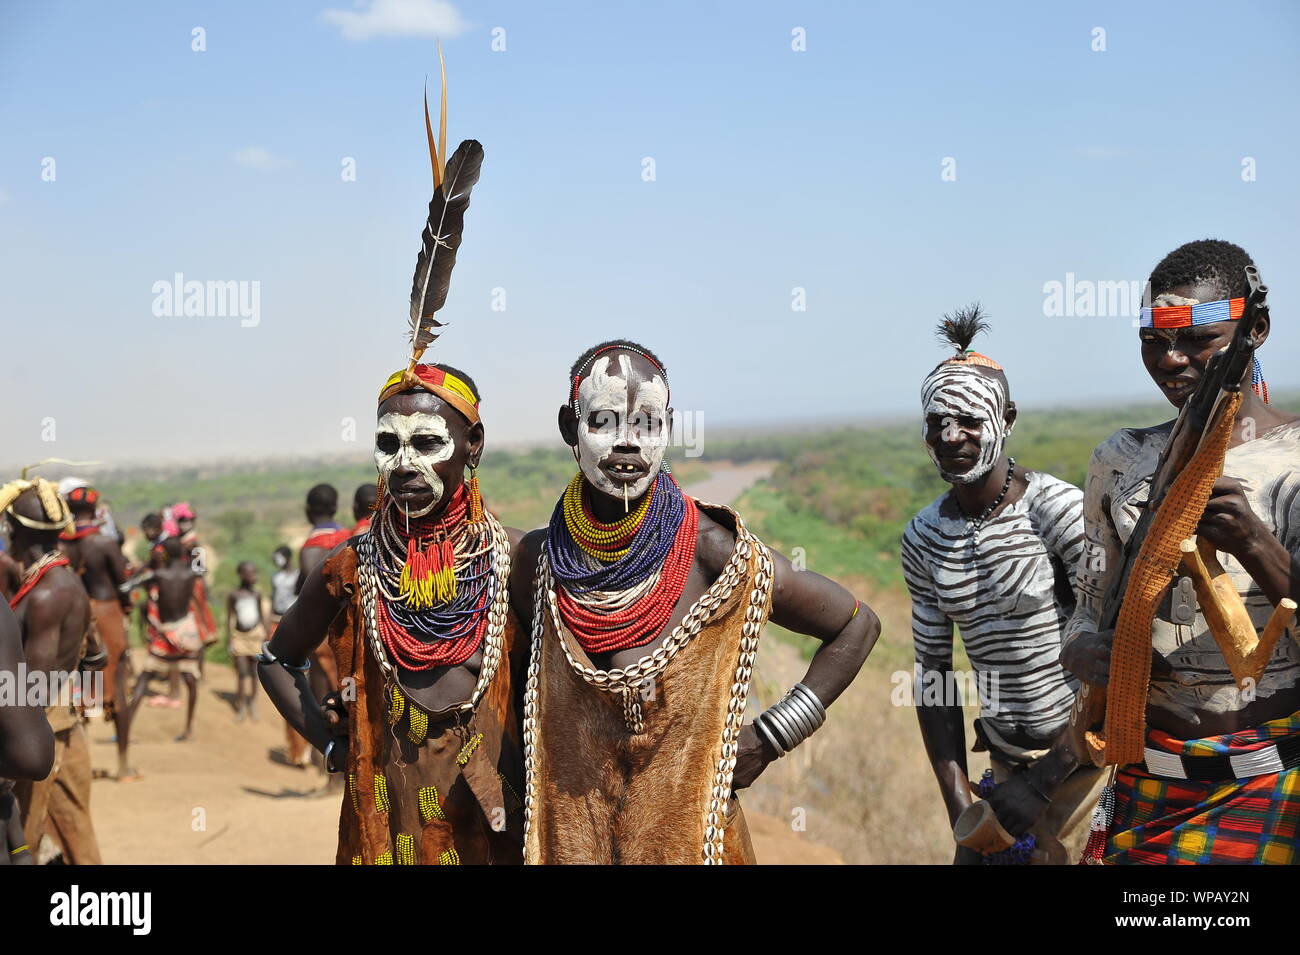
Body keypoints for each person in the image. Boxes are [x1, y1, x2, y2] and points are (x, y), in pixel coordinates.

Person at [261, 96, 528, 863]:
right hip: (385, 820)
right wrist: (327, 738)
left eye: (425, 440)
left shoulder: (515, 561)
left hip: (494, 819)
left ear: (470, 447)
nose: (404, 461)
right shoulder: (354, 565)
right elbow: (276, 658)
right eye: (388, 443)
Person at [510, 339, 881, 864]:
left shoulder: (713, 553)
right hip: (575, 842)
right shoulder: (539, 561)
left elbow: (857, 625)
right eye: (605, 422)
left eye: (646, 425)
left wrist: (769, 738)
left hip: (695, 842)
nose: (626, 444)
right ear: (570, 428)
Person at [1060, 239, 1300, 864]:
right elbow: (1087, 606)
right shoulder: (1122, 461)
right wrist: (1079, 648)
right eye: (1153, 340)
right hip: (1148, 783)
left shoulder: (1295, 462)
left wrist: (1254, 543)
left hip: (1275, 784)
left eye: (1198, 339)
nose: (1170, 360)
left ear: (1258, 328)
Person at [900, 307, 1103, 864]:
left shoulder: (1055, 511)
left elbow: (1121, 653)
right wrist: (960, 804)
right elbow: (934, 678)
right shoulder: (924, 537)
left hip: (1085, 767)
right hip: (1006, 769)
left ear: (1007, 418)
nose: (949, 436)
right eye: (936, 422)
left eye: (968, 420)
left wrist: (1043, 782)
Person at [2, 478, 103, 864]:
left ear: (15, 530)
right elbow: (97, 655)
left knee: (22, 838)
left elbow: (35, 688)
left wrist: (13, 754)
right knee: (76, 833)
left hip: (43, 737)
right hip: (61, 731)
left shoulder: (47, 593)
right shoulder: (63, 581)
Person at [59, 486, 137, 778]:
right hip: (107, 614)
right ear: (95, 511)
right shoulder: (103, 543)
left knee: (79, 682)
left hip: (74, 615)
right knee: (117, 683)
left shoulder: (61, 544)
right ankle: (123, 765)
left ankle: (78, 765)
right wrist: (127, 606)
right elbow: (124, 585)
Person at [124, 537, 203, 742]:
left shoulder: (159, 575)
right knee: (191, 681)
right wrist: (196, 550)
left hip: (166, 634)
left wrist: (144, 568)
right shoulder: (191, 573)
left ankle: (126, 728)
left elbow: (129, 585)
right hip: (187, 631)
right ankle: (188, 728)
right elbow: (202, 568)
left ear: (165, 554)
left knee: (144, 678)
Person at [267, 546, 309, 765]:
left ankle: (307, 747)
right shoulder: (275, 577)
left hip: (294, 622)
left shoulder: (298, 576)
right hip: (278, 621)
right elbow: (273, 599)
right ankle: (297, 749)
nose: (278, 560)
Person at [226, 561, 267, 722]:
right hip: (239, 638)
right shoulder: (234, 595)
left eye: (254, 573)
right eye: (249, 573)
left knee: (255, 673)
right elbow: (230, 617)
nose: (252, 576)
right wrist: (229, 639)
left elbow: (260, 615)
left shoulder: (256, 595)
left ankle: (253, 704)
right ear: (241, 575)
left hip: (255, 637)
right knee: (242, 672)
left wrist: (265, 636)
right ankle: (241, 704)